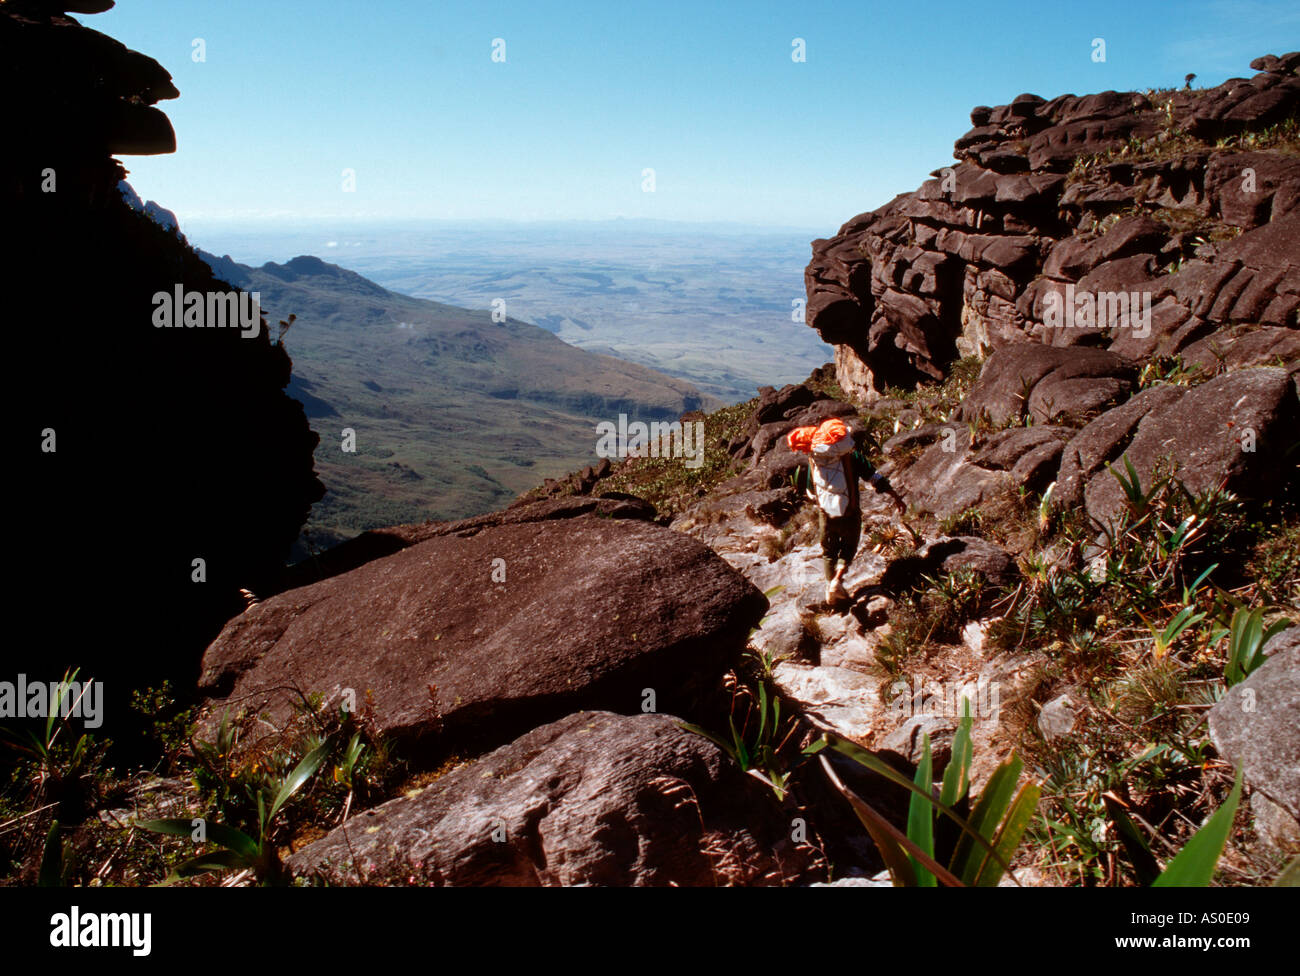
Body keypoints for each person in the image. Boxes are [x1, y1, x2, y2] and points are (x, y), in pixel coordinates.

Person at [787, 417, 905, 605]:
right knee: (848, 549)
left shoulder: (814, 459)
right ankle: (837, 580)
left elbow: (810, 489)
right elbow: (874, 478)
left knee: (828, 552)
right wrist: (896, 496)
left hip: (825, 514)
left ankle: (830, 589)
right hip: (849, 512)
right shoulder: (852, 457)